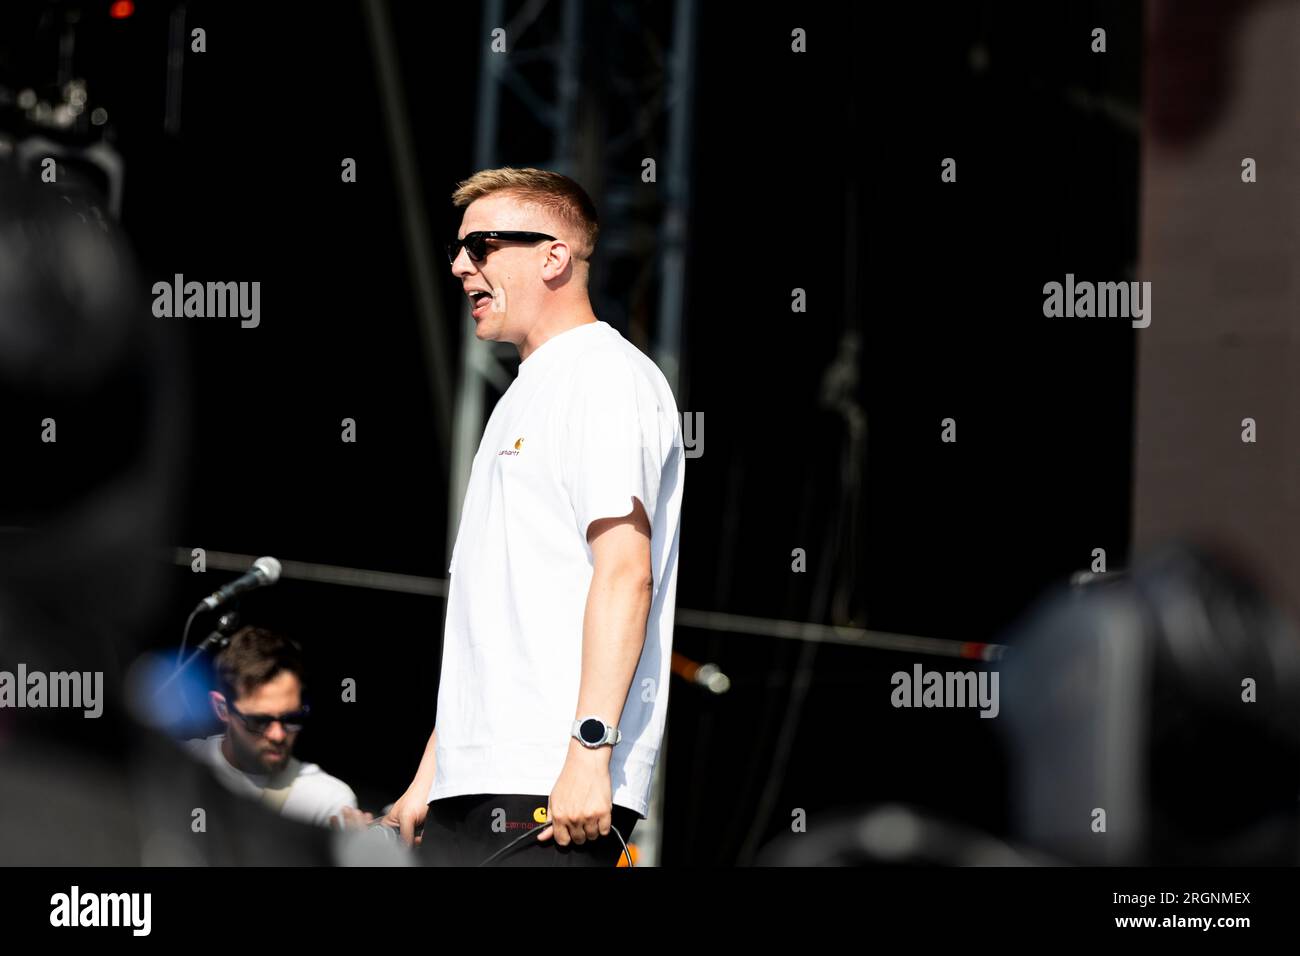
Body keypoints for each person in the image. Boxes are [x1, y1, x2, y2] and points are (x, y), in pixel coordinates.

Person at [382, 167, 686, 866]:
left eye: (482, 245)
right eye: (459, 248)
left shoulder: (605, 376)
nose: (460, 265)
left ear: (554, 256)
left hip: (551, 786)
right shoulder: (522, 392)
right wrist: (436, 770)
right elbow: (495, 621)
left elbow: (625, 573)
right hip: (481, 780)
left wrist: (588, 751)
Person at [187, 626, 363, 830]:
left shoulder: (328, 802)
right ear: (222, 708)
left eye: (291, 718)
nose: (278, 735)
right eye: (259, 721)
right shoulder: (176, 764)